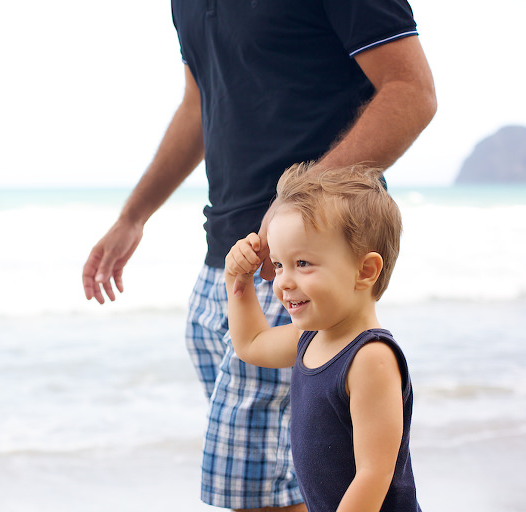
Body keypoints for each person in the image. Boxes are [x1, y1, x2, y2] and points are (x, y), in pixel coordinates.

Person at [82, 0, 436, 509]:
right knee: (279, 483)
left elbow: (412, 92)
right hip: (230, 257)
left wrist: (292, 209)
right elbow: (198, 104)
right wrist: (133, 216)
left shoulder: (369, 353)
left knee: (256, 491)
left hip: (308, 248)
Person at [224, 163, 418, 512]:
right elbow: (250, 344)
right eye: (280, 265)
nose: (283, 281)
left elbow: (373, 475)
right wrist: (237, 283)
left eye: (303, 263)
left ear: (365, 271)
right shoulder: (310, 337)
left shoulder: (371, 358)